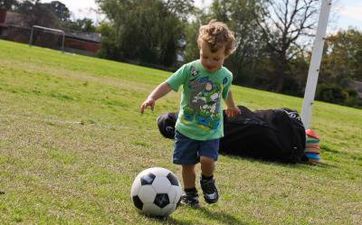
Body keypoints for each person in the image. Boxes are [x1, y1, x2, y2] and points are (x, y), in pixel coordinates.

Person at [140, 20, 240, 208]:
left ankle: (208, 180)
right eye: (205, 56)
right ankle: (190, 194)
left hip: (211, 129)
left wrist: (232, 106)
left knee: (207, 160)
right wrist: (152, 97)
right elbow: (168, 84)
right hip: (186, 128)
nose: (210, 62)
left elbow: (226, 91)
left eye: (216, 59)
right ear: (199, 49)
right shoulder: (189, 69)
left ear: (225, 54)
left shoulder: (226, 75)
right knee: (187, 165)